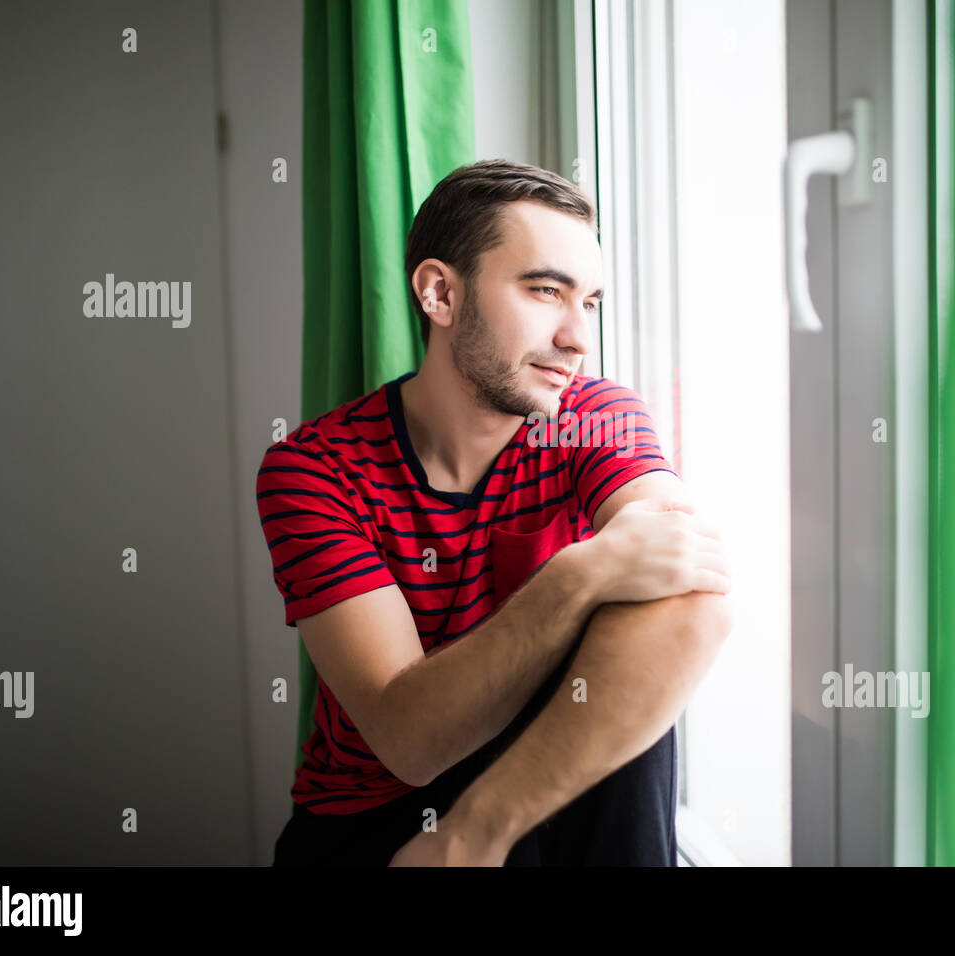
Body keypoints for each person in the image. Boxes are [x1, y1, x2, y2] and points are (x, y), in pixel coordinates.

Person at [257, 158, 733, 867]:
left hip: (531, 784)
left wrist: (471, 836)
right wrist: (584, 573)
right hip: (370, 816)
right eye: (546, 291)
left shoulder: (596, 416)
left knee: (656, 627)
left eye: (590, 302)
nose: (579, 338)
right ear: (440, 293)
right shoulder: (313, 469)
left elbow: (696, 598)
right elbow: (408, 742)